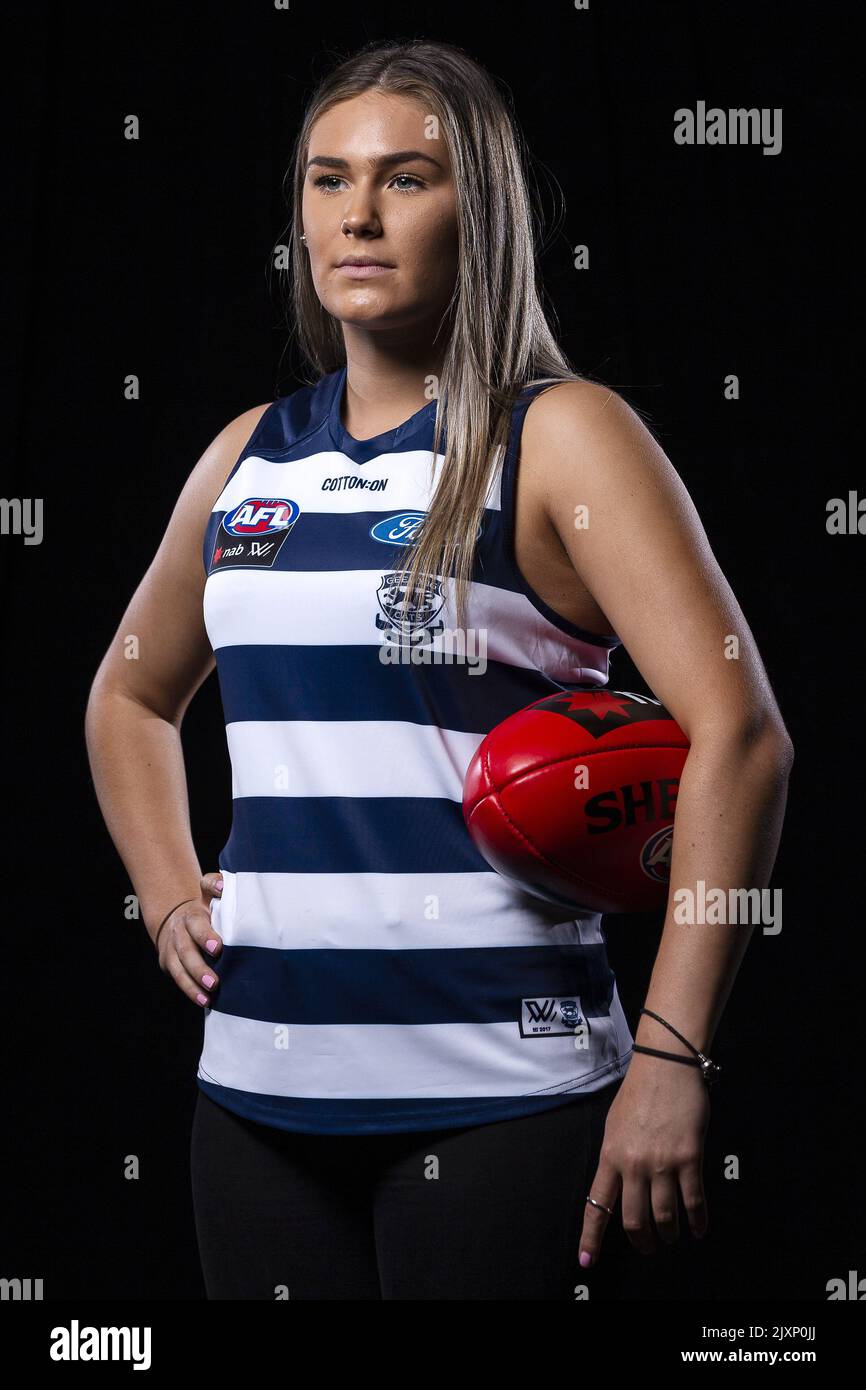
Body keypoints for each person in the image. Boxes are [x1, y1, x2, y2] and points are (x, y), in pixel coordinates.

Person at [85, 38, 794, 1300]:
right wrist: (163, 891)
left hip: (499, 1096)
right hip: (257, 1088)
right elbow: (130, 692)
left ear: (484, 210)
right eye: (324, 179)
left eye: (406, 178)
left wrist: (672, 1053)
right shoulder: (250, 455)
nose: (355, 214)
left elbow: (739, 732)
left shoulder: (560, 436)